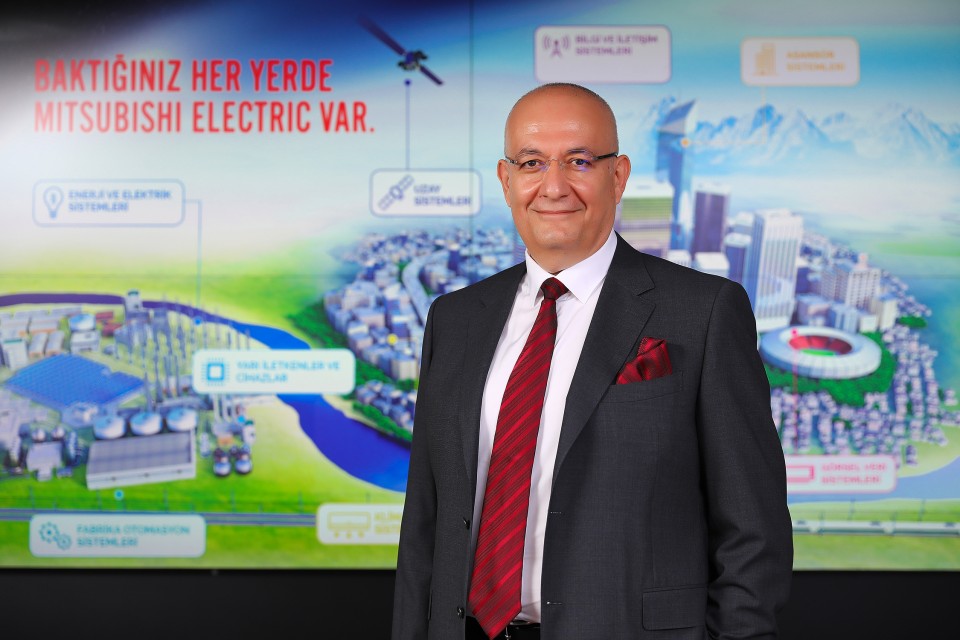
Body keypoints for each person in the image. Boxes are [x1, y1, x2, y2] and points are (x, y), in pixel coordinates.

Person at [392, 83, 792, 640]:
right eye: (532, 163)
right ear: (506, 180)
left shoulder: (703, 312)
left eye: (579, 161)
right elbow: (425, 522)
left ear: (618, 176)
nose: (554, 186)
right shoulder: (454, 319)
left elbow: (753, 530)